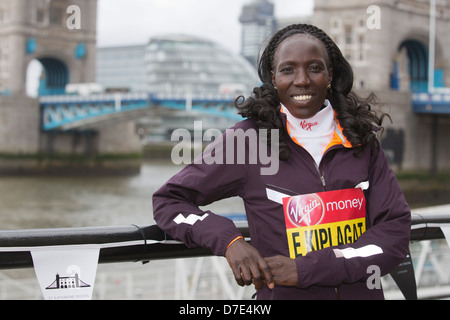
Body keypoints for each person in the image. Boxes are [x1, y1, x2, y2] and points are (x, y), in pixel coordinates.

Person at [152, 24, 411, 300]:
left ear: (330, 75)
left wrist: (308, 268)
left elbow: (394, 232)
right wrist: (229, 240)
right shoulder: (248, 141)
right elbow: (169, 201)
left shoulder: (361, 141)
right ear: (274, 79)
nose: (302, 80)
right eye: (288, 70)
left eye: (314, 68)